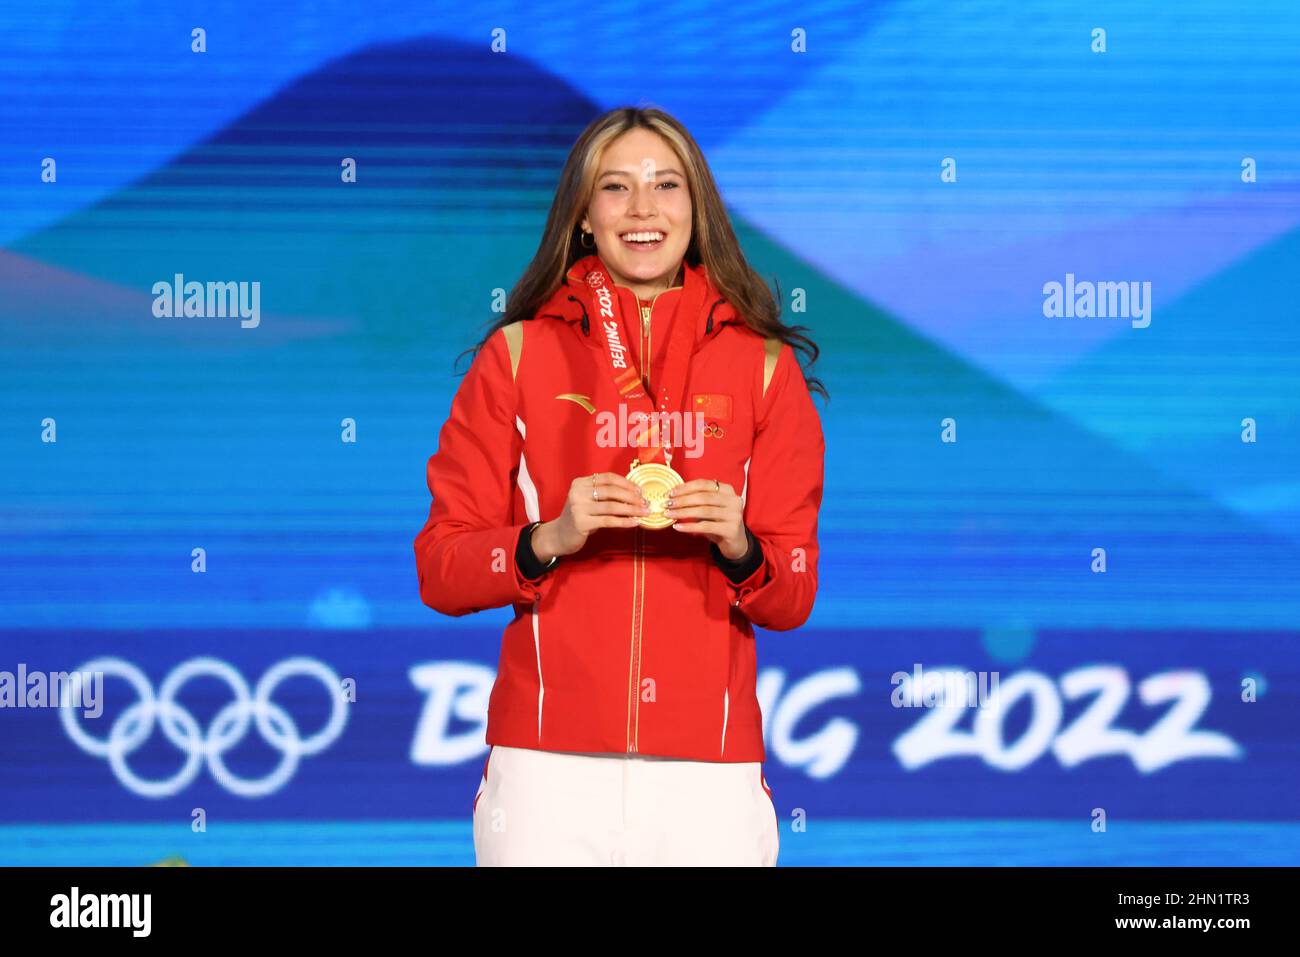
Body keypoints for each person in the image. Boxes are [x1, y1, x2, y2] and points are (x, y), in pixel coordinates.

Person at [414, 105, 826, 866]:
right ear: (582, 215)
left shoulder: (766, 368)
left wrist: (741, 547)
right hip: (546, 769)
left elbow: (792, 593)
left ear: (696, 209)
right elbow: (441, 566)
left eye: (667, 185)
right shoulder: (513, 355)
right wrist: (546, 540)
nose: (643, 209)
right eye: (616, 187)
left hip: (708, 774)